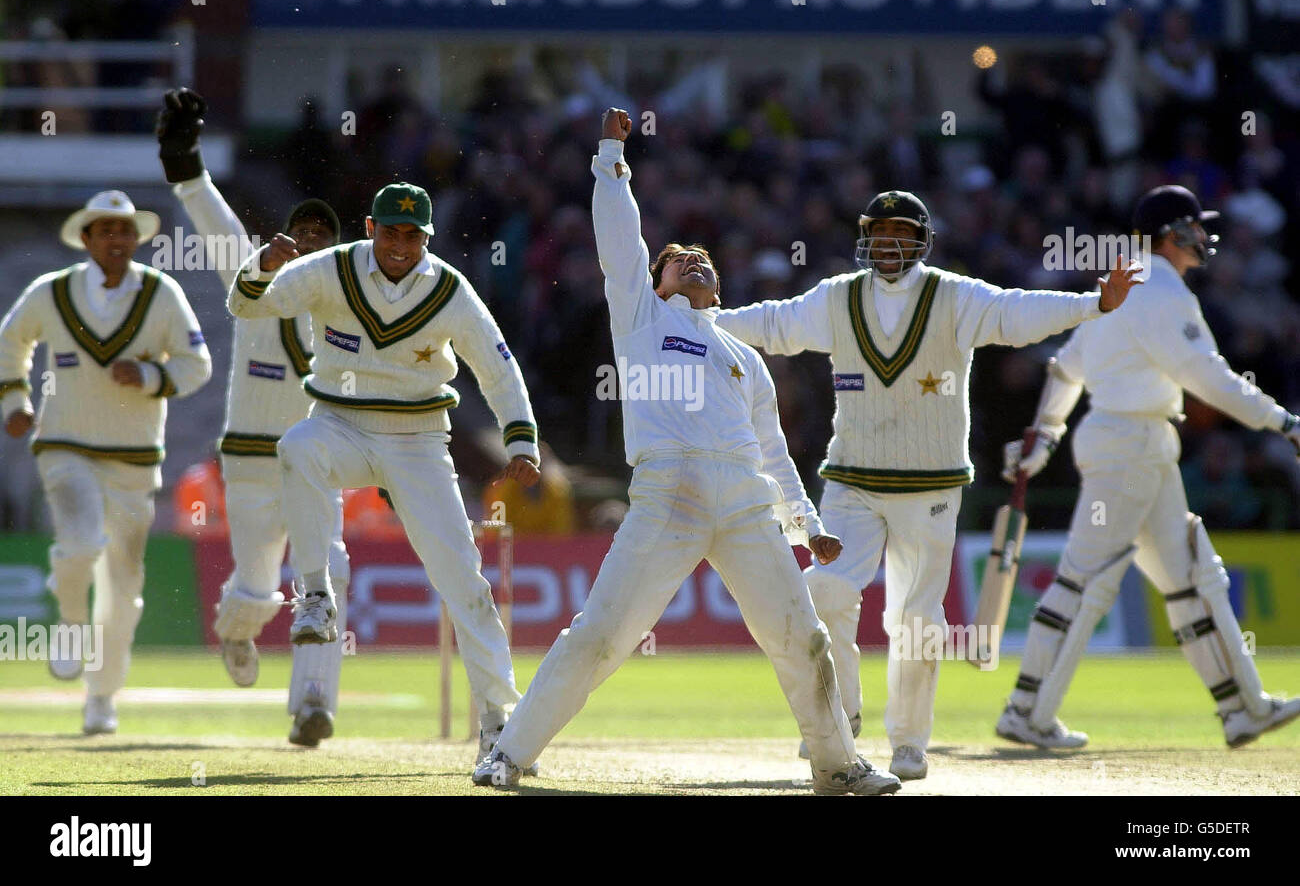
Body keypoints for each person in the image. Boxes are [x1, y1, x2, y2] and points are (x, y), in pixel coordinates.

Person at [473, 108, 900, 795]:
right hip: (668, 493)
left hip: (745, 505)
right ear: (657, 280)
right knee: (603, 634)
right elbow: (617, 237)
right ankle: (508, 753)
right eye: (676, 259)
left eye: (701, 258)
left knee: (805, 638)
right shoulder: (641, 316)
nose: (693, 259)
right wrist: (612, 154)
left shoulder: (745, 358)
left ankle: (837, 764)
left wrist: (808, 525)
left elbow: (773, 452)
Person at [716, 189, 1140, 780]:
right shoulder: (837, 298)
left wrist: (1094, 303)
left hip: (932, 487)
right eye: (879, 232)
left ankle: (910, 742)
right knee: (826, 590)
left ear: (920, 242)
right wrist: (698, 320)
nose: (889, 244)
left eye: (901, 234)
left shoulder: (954, 296)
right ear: (865, 237)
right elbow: (773, 323)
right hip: (851, 482)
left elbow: (1016, 314)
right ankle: (839, 723)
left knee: (916, 618)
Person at [228, 181, 540, 763]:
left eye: (412, 235)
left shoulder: (448, 288)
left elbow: (497, 367)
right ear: (370, 228)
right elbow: (246, 305)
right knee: (298, 447)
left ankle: (501, 722)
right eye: (390, 231)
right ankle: (316, 594)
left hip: (418, 440)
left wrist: (520, 438)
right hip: (339, 422)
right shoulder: (330, 268)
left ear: (427, 236)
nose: (400, 245)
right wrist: (262, 266)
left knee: (465, 585)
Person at [996, 185, 1300, 749]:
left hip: (1138, 445)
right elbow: (1208, 376)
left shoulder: (1120, 284)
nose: (1204, 238)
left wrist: (1046, 435)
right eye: (1196, 227)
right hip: (1130, 446)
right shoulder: (1162, 291)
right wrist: (1283, 422)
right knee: (1084, 578)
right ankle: (1026, 711)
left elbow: (1066, 369)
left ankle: (1242, 708)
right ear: (1172, 233)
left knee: (1191, 577)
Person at [157, 87, 351, 748]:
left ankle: (313, 704)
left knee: (331, 570)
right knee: (256, 585)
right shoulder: (253, 276)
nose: (311, 244)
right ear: (287, 238)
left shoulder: (347, 311)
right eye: (304, 233)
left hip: (314, 462)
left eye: (325, 237)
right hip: (246, 459)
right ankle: (236, 628)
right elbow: (212, 219)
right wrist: (183, 159)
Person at [0, 190, 212, 734]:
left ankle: (101, 698)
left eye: (126, 231)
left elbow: (198, 365)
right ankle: (70, 625)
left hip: (136, 461)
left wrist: (148, 377)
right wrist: (14, 404)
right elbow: (10, 342)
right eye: (106, 230)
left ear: (137, 239)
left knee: (123, 588)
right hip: (65, 445)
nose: (118, 240)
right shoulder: (52, 292)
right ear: (87, 239)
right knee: (81, 544)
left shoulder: (162, 294)